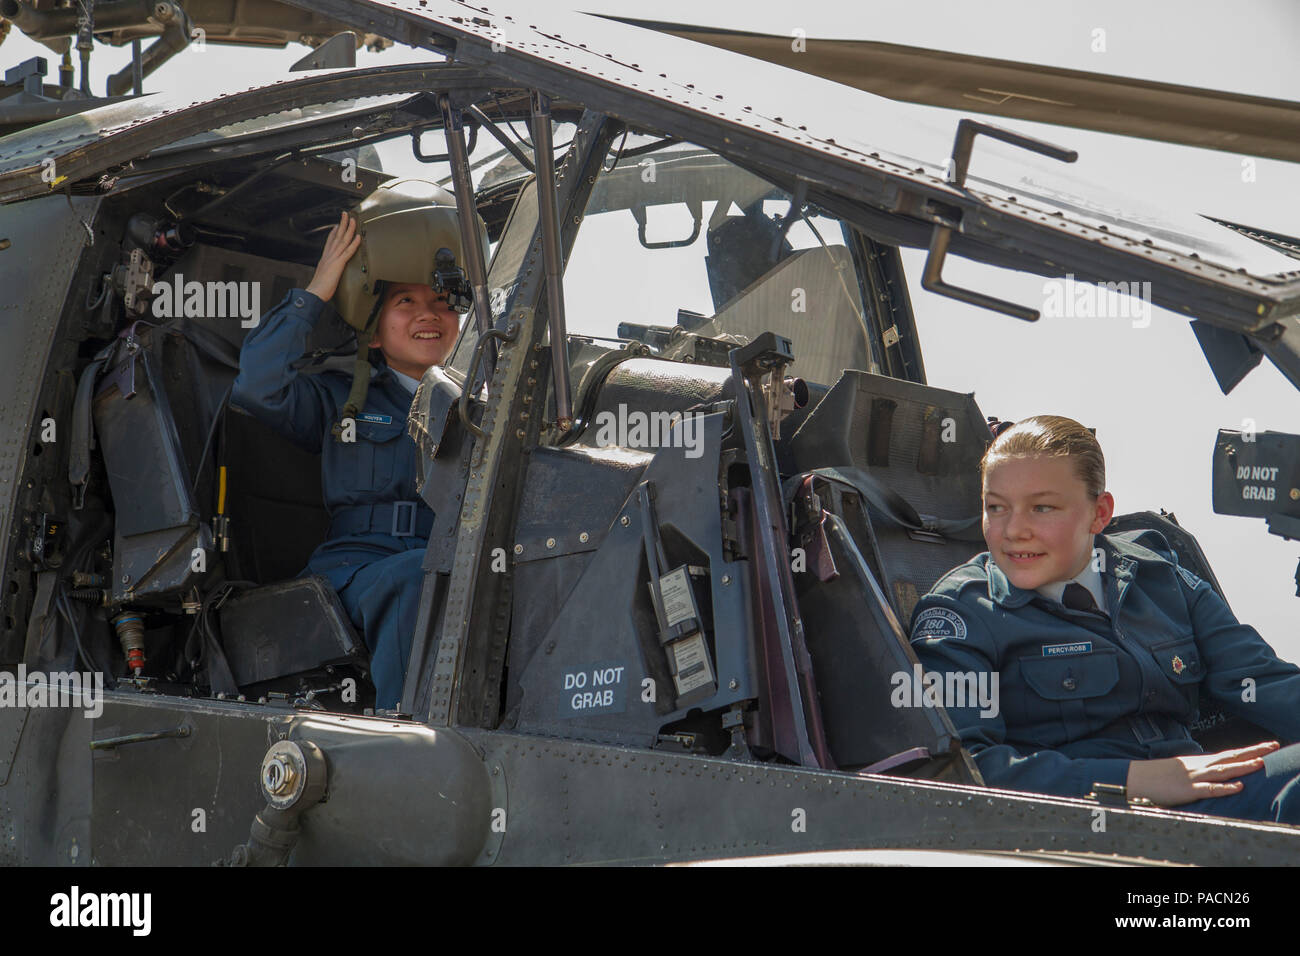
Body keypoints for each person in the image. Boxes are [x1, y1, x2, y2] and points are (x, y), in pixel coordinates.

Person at [908, 414, 1300, 823]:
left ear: (1100, 513)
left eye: (1042, 507)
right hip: (1088, 820)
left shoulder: (1160, 578)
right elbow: (966, 771)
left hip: (1199, 790)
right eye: (996, 507)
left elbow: (1263, 680)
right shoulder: (961, 613)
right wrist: (1138, 779)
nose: (1014, 530)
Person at [232, 179, 480, 710]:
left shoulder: (484, 411)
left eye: (441, 301)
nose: (427, 314)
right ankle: (407, 738)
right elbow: (257, 385)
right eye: (405, 301)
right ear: (372, 332)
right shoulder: (339, 396)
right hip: (355, 569)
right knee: (420, 579)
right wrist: (317, 290)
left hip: (447, 559)